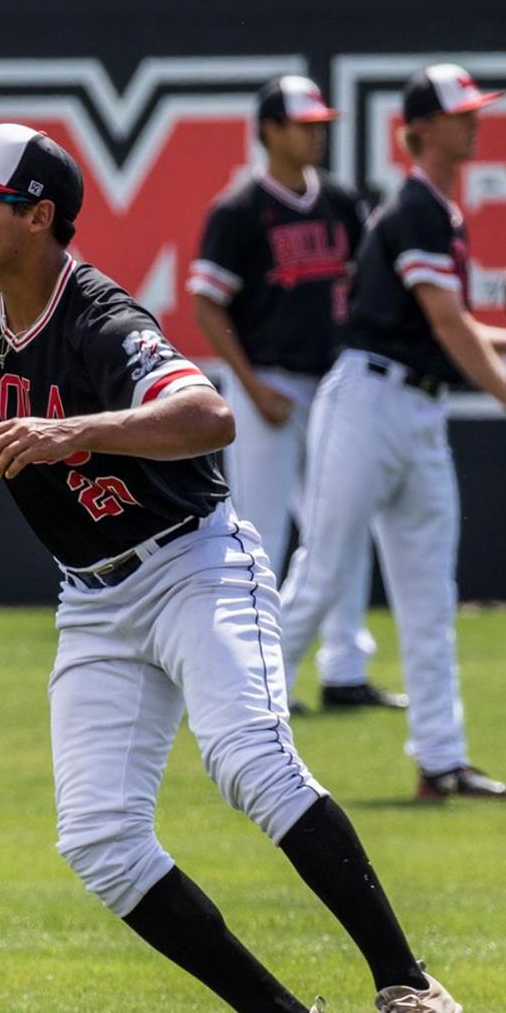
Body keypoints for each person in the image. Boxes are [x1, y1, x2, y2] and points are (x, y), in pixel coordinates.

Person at [0, 122, 464, 1013]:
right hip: (93, 596)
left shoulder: (100, 319)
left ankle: (409, 990)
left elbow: (209, 414)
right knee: (98, 837)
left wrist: (71, 428)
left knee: (250, 762)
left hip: (193, 564)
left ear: (38, 217)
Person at [279, 65, 506, 802]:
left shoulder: (442, 214)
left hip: (420, 411)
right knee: (323, 570)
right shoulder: (414, 209)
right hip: (367, 402)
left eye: (475, 110)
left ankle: (441, 759)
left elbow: (451, 327)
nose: (474, 121)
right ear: (422, 129)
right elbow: (446, 321)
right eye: (460, 113)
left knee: (431, 596)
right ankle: (239, 725)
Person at [188, 75, 405, 712]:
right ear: (270, 131)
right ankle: (251, 678)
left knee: (344, 522)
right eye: (305, 125)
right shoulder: (239, 209)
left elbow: (368, 286)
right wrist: (251, 385)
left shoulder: (339, 201)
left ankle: (344, 670)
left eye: (321, 124)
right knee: (259, 537)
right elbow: (206, 305)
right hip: (268, 383)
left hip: (333, 385)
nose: (318, 134)